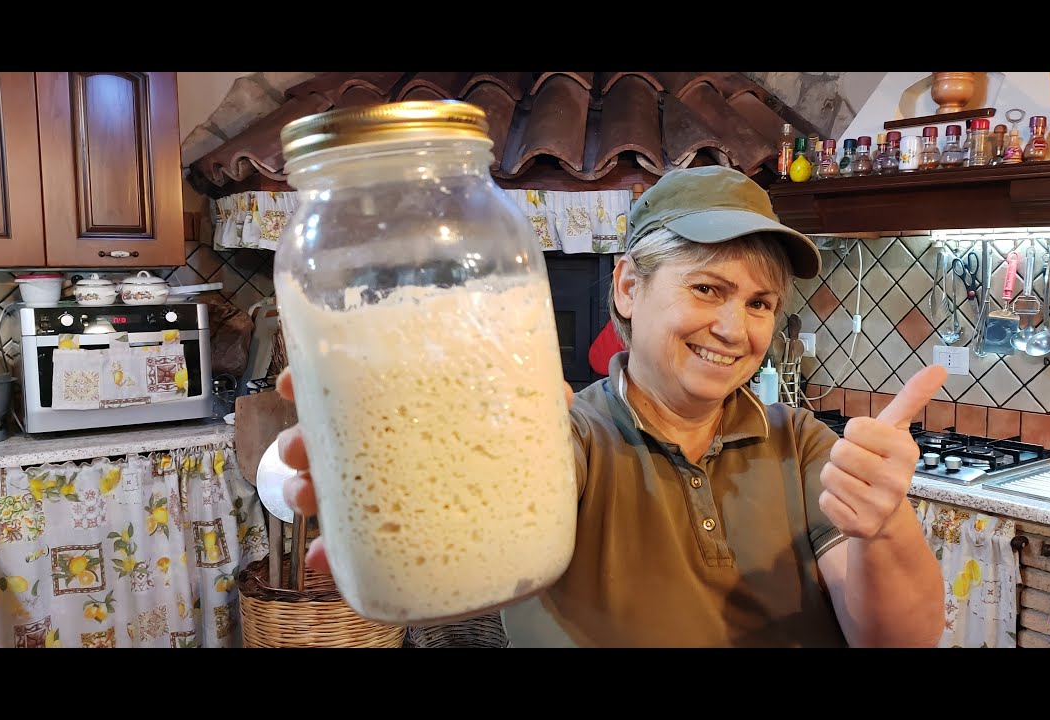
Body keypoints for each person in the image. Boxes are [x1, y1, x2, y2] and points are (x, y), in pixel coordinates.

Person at [275, 164, 948, 647]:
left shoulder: (800, 441)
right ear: (629, 286)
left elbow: (896, 641)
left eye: (760, 304)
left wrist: (882, 525)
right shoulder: (570, 439)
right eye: (709, 289)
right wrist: (400, 469)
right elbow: (486, 530)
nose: (736, 329)